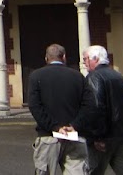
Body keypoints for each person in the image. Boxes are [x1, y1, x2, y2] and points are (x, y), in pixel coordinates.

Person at [27, 43, 91, 175]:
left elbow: (35, 107)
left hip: (48, 137)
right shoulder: (78, 76)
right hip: (74, 136)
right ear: (64, 57)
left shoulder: (36, 76)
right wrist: (74, 125)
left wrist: (55, 127)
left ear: (46, 58)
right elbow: (89, 105)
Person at [80, 45, 123, 175]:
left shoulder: (94, 77)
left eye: (85, 59)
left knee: (93, 171)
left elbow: (96, 108)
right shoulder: (118, 76)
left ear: (95, 59)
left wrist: (98, 136)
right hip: (122, 136)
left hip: (104, 139)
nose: (84, 63)